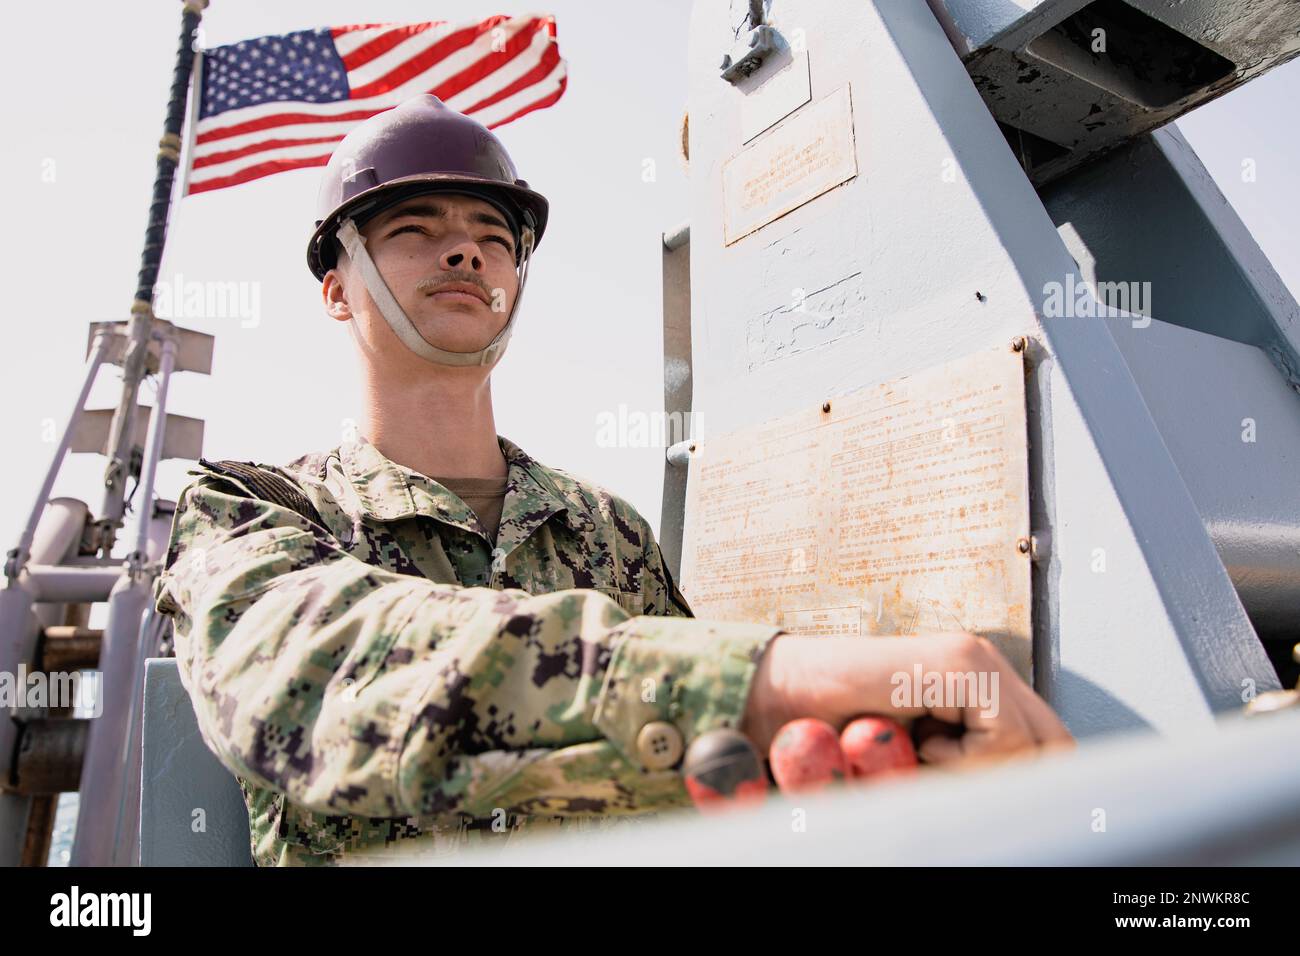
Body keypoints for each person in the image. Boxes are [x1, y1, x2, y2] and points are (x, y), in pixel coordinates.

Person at [153, 94, 1073, 866]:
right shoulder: (245, 509)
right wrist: (762, 681)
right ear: (336, 286)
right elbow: (308, 677)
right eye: (414, 229)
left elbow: (707, 784)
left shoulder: (608, 530)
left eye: (492, 235)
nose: (466, 252)